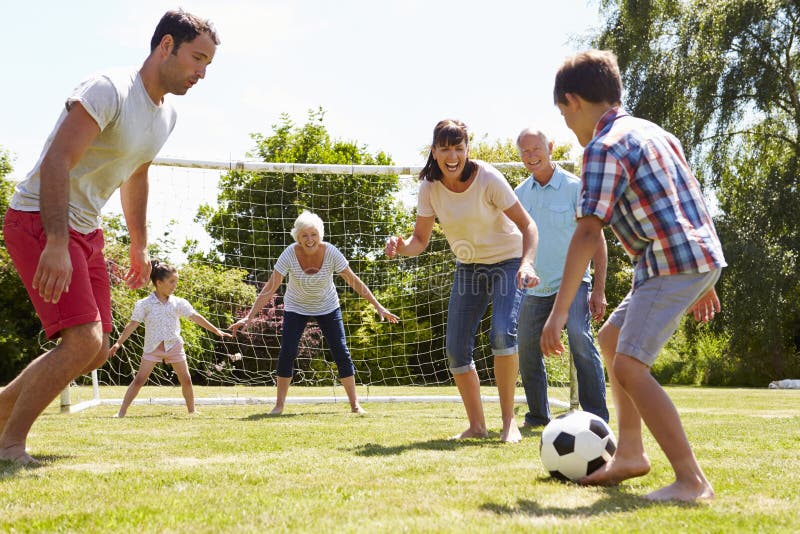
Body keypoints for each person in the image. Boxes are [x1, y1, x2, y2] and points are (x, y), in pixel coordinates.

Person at [0, 9, 219, 464]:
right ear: (165, 46)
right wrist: (57, 243)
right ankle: (10, 444)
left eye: (208, 65)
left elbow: (136, 175)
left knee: (95, 351)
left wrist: (139, 243)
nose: (201, 72)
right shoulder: (108, 89)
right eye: (197, 58)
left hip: (86, 229)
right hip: (40, 218)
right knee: (82, 341)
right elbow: (58, 160)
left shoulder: (167, 116)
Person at [540, 50, 726, 501]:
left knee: (629, 365)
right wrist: (707, 276)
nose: (568, 125)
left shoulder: (601, 148)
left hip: (671, 261)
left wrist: (558, 312)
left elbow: (587, 232)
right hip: (690, 256)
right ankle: (630, 454)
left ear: (573, 101)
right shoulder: (653, 132)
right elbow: (691, 197)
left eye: (564, 114)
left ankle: (691, 480)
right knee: (611, 339)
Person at [385, 119, 540, 443]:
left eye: (458, 148)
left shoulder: (488, 178)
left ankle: (509, 422)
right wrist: (401, 249)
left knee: (501, 333)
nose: (452, 155)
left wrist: (526, 264)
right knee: (456, 350)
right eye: (445, 148)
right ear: (435, 151)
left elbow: (529, 226)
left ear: (468, 150)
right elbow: (420, 241)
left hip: (507, 263)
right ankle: (477, 426)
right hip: (469, 267)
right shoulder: (429, 187)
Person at [231, 211, 399, 415]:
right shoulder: (289, 253)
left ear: (320, 234)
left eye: (313, 234)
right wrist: (250, 316)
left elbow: (353, 280)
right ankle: (279, 405)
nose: (309, 239)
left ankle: (355, 405)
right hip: (296, 307)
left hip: (328, 306)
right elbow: (270, 287)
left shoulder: (331, 252)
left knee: (341, 352)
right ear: (297, 237)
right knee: (287, 352)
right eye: (304, 235)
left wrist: (378, 305)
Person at [514, 128, 609, 427]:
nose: (531, 156)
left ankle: (597, 419)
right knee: (526, 347)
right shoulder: (519, 195)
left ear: (550, 147)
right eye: (524, 152)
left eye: (536, 149)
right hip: (535, 289)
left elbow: (598, 240)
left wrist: (600, 290)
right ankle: (538, 415)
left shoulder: (574, 187)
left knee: (580, 338)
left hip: (575, 283)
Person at [109, 262, 231, 417]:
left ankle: (192, 411)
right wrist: (118, 343)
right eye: (172, 281)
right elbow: (132, 324)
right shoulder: (144, 304)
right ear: (159, 283)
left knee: (186, 379)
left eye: (176, 282)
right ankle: (121, 412)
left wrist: (216, 330)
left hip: (174, 346)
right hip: (153, 348)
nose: (175, 285)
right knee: (139, 380)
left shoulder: (178, 302)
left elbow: (195, 317)